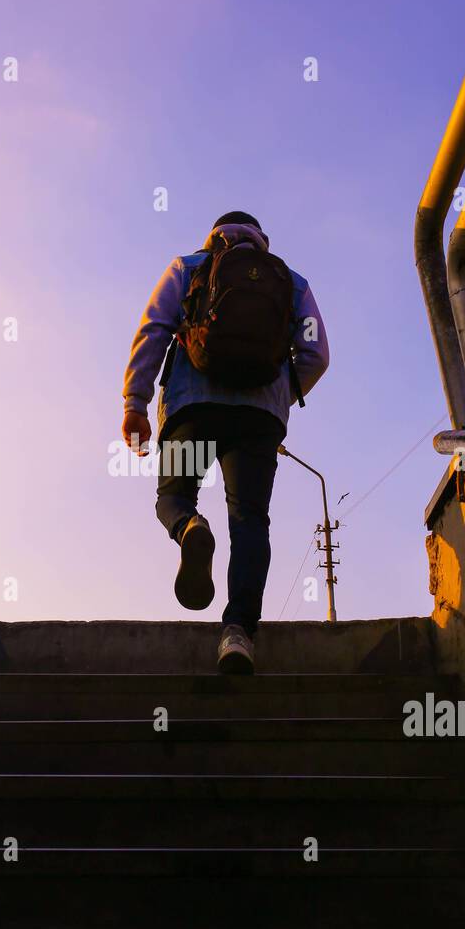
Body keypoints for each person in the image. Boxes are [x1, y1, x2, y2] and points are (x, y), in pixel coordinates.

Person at [122, 211, 329, 674]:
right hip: (257, 421)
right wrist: (281, 396)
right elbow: (317, 352)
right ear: (262, 240)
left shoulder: (189, 266)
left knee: (173, 497)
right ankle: (237, 634)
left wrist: (135, 402)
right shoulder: (291, 283)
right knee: (250, 520)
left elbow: (155, 328)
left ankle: (191, 528)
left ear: (214, 236)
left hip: (194, 409)